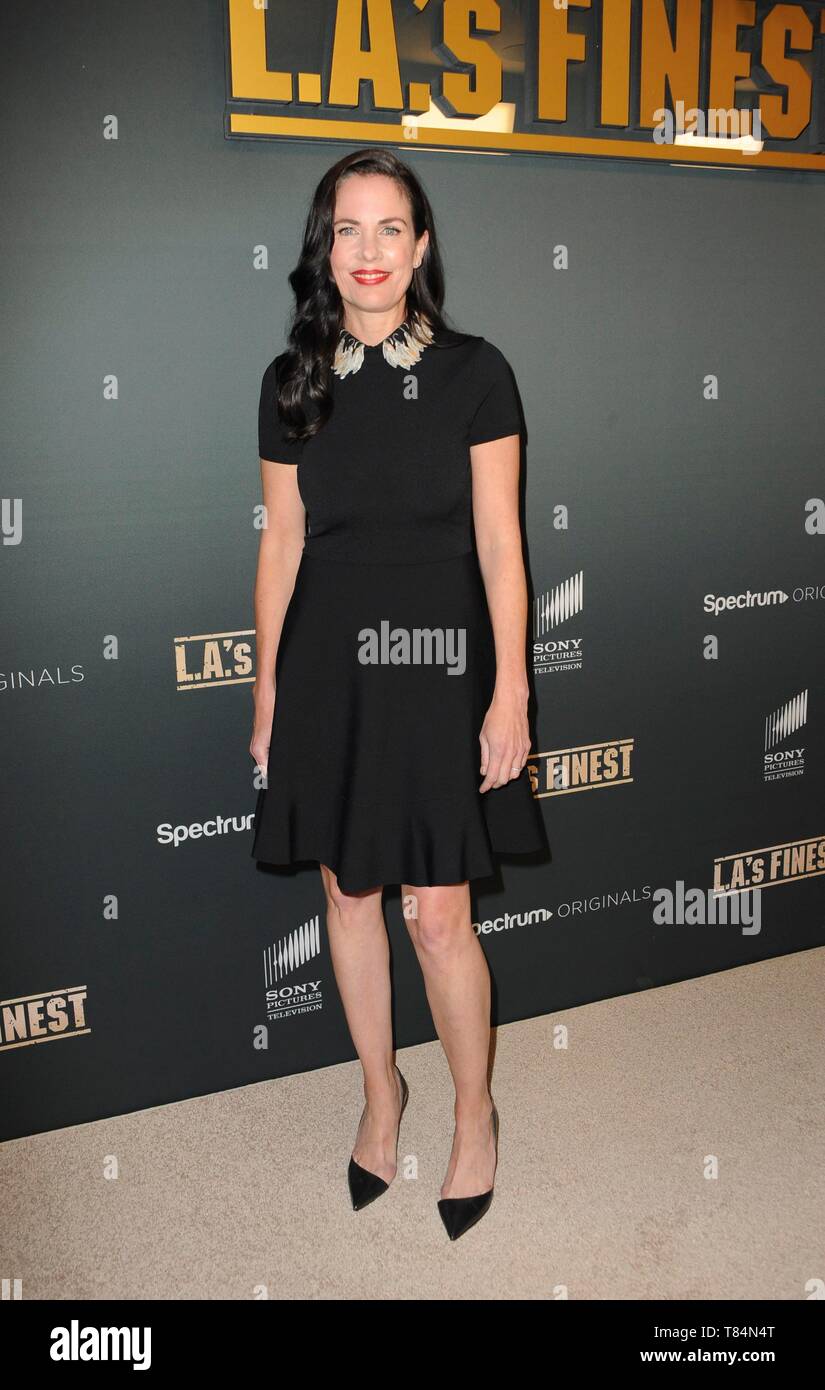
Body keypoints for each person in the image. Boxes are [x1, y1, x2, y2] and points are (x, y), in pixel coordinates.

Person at [249, 147, 549, 1241]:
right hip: (330, 667)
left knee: (436, 915)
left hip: (436, 666)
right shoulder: (296, 381)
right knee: (344, 894)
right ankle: (383, 1093)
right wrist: (266, 691)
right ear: (323, 250)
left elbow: (504, 547)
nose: (368, 251)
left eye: (390, 229)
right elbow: (281, 546)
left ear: (421, 248)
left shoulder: (476, 372)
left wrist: (510, 690)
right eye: (347, 229)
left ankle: (476, 1112)